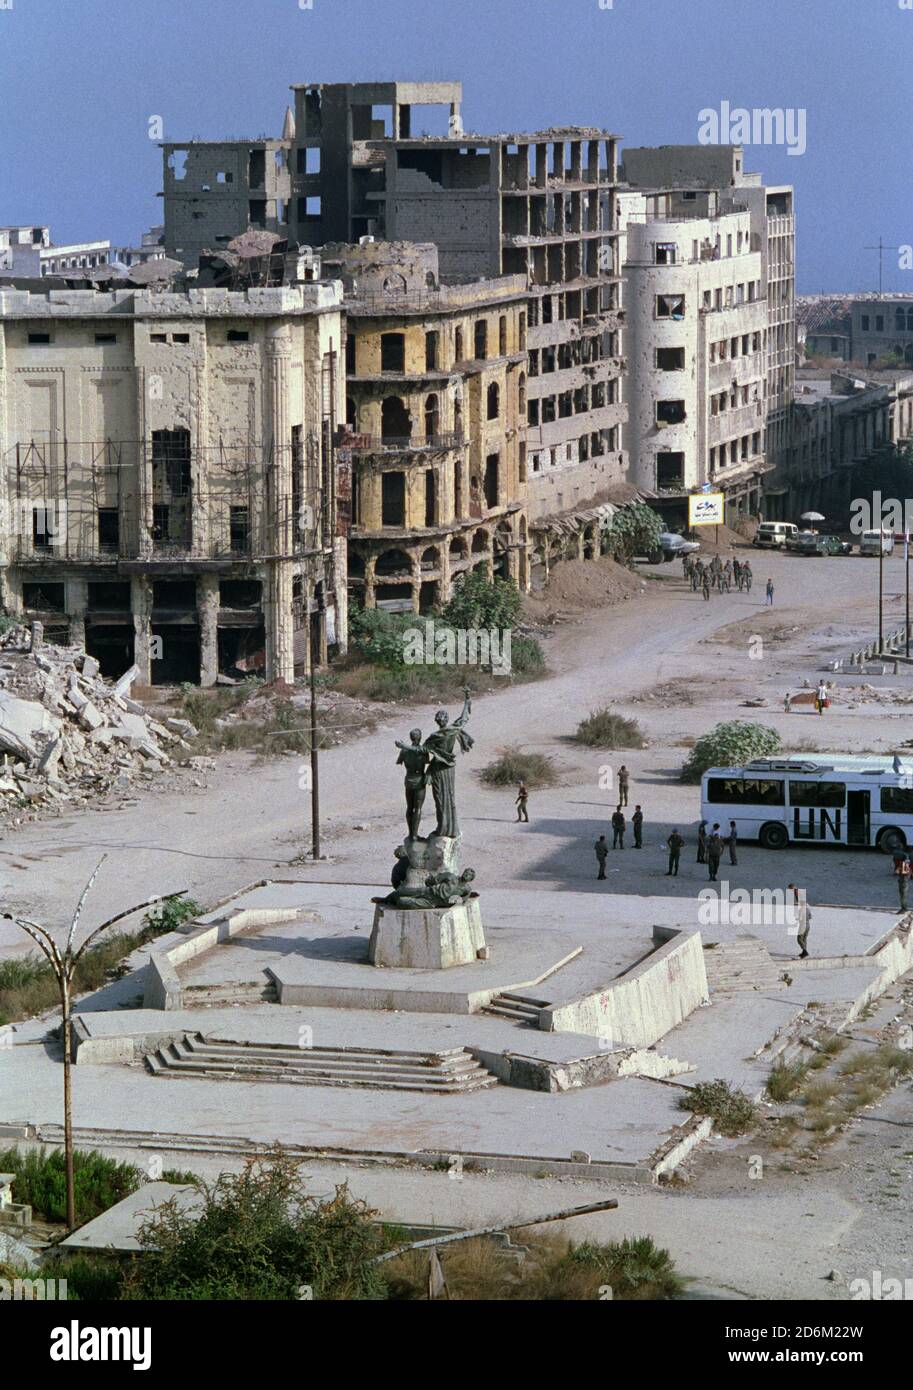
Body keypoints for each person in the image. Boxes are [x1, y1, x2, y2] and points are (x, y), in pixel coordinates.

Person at [788, 883, 811, 958]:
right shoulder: (807, 908)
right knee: (804, 938)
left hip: (803, 925)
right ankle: (804, 952)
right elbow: (810, 917)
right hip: (808, 925)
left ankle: (805, 951)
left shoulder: (796, 891)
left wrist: (798, 918)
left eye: (790, 889)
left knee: (799, 939)